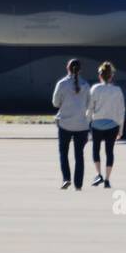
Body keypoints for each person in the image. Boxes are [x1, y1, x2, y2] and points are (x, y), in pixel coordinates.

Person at [51, 59, 91, 190]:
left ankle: (66, 179)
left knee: (63, 153)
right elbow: (88, 104)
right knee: (79, 155)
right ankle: (78, 184)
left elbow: (55, 103)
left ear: (67, 68)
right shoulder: (86, 85)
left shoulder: (62, 84)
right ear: (80, 70)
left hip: (65, 124)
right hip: (81, 125)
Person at [86, 61, 126, 189]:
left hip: (96, 124)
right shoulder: (117, 90)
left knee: (96, 150)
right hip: (112, 125)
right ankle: (107, 180)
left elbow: (89, 109)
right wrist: (121, 129)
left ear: (100, 76)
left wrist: (87, 125)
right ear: (111, 76)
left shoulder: (95, 89)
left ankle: (99, 174)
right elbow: (121, 111)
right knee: (109, 151)